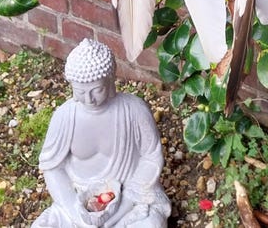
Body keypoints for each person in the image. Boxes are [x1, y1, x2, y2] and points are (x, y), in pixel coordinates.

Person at [31, 39, 171, 228]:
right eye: (80, 91)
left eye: (97, 90)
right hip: (80, 200)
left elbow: (151, 157)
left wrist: (120, 210)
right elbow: (52, 167)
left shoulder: (134, 110)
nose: (89, 99)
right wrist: (76, 212)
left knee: (152, 224)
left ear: (111, 80)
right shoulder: (65, 116)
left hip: (130, 197)